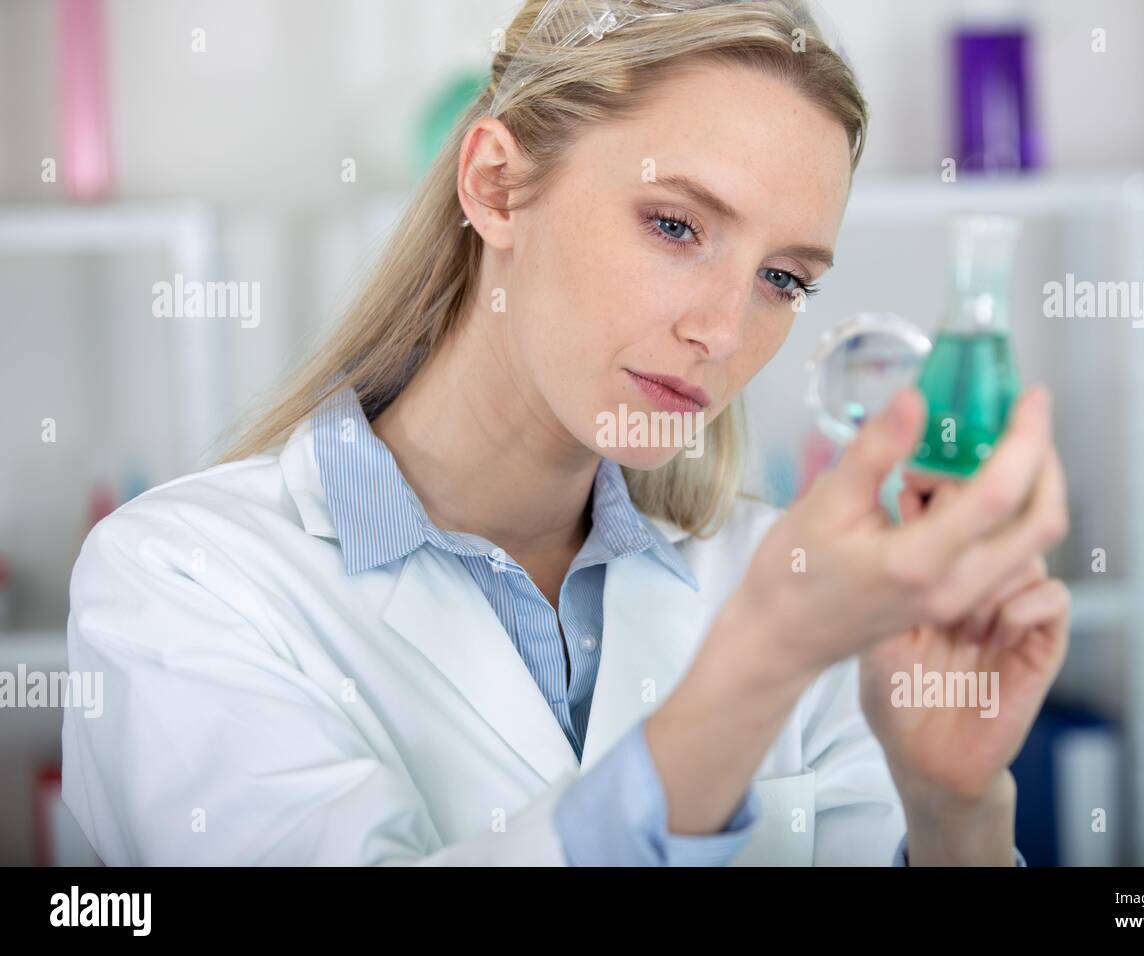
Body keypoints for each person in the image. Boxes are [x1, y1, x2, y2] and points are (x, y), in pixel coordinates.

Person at [62, 0, 1069, 866]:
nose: (721, 330)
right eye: (675, 225)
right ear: (496, 186)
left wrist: (954, 807)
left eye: (782, 278)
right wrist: (756, 662)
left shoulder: (782, 574)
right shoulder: (183, 579)